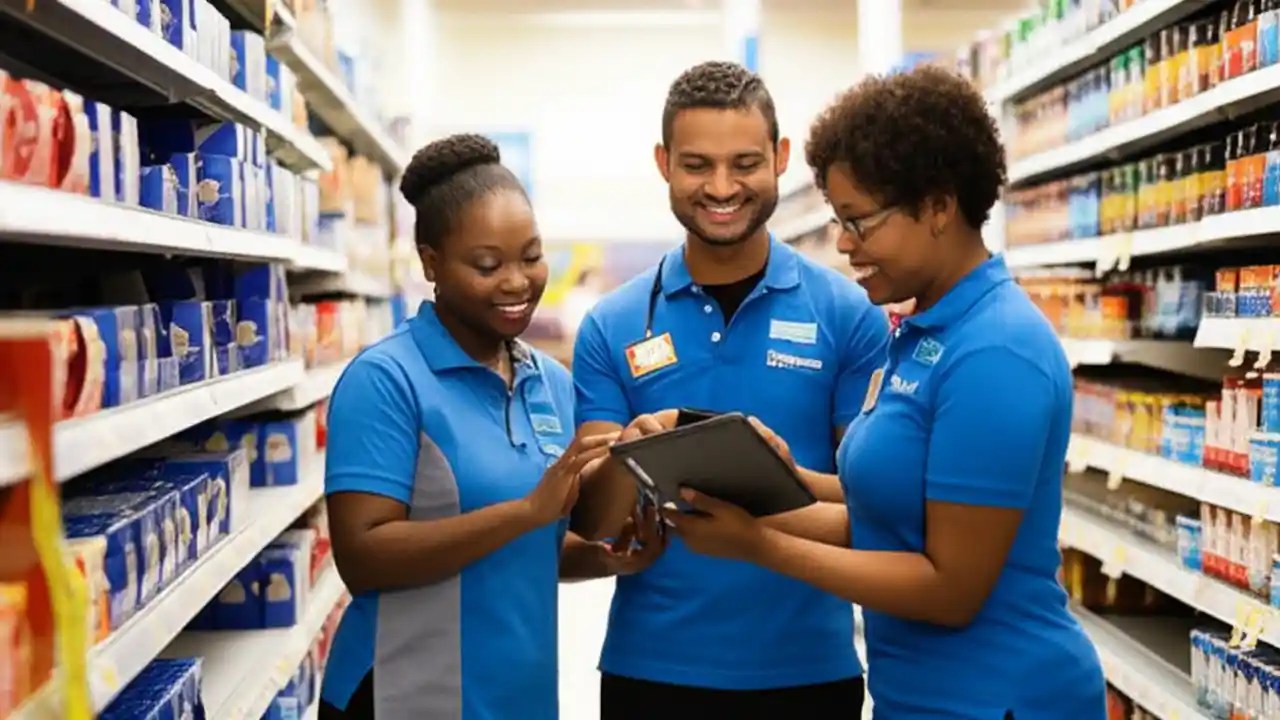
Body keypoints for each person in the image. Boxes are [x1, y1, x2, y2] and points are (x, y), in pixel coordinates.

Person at [665, 66, 1108, 719]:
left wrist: (760, 545)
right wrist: (770, 482)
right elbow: (892, 512)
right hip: (922, 697)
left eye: (859, 222)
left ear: (937, 206)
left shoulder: (996, 351)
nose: (843, 244)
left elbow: (950, 588)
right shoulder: (925, 330)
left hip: (999, 698)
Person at [570, 61, 890, 719]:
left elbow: (876, 506)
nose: (721, 187)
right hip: (651, 671)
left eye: (744, 162)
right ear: (663, 163)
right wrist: (631, 451)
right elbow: (592, 522)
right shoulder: (613, 323)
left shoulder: (847, 315)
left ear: (779, 158)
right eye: (696, 164)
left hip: (810, 671)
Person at [317, 133, 662, 720]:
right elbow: (363, 556)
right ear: (431, 263)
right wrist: (528, 510)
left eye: (530, 256)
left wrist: (607, 554)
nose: (517, 281)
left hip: (514, 697)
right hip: (407, 698)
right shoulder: (386, 379)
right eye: (487, 264)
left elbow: (526, 552)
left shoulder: (549, 382)